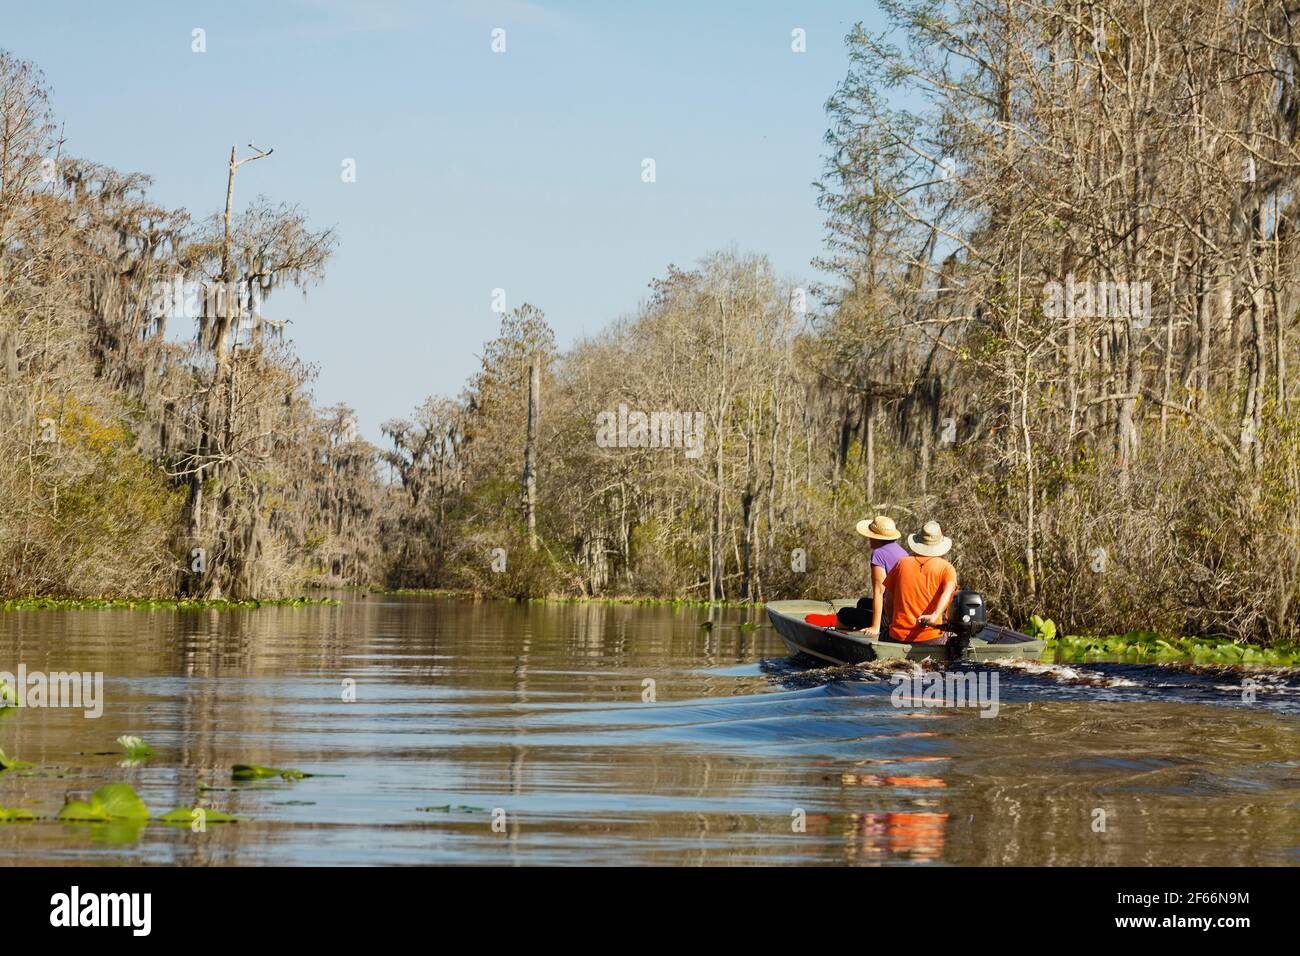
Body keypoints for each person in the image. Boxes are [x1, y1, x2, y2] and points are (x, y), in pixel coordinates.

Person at [880, 520, 958, 644]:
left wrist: (891, 623)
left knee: (883, 633)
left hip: (898, 637)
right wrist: (935, 615)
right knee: (956, 636)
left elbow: (888, 600)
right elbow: (948, 593)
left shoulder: (901, 563)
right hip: (931, 638)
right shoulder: (947, 568)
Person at [837, 515, 908, 635]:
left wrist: (875, 627)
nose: (869, 539)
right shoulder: (902, 552)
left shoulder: (878, 554)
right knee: (862, 603)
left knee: (844, 614)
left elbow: (879, 591)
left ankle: (843, 640)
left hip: (892, 617)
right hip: (902, 609)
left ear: (876, 538)